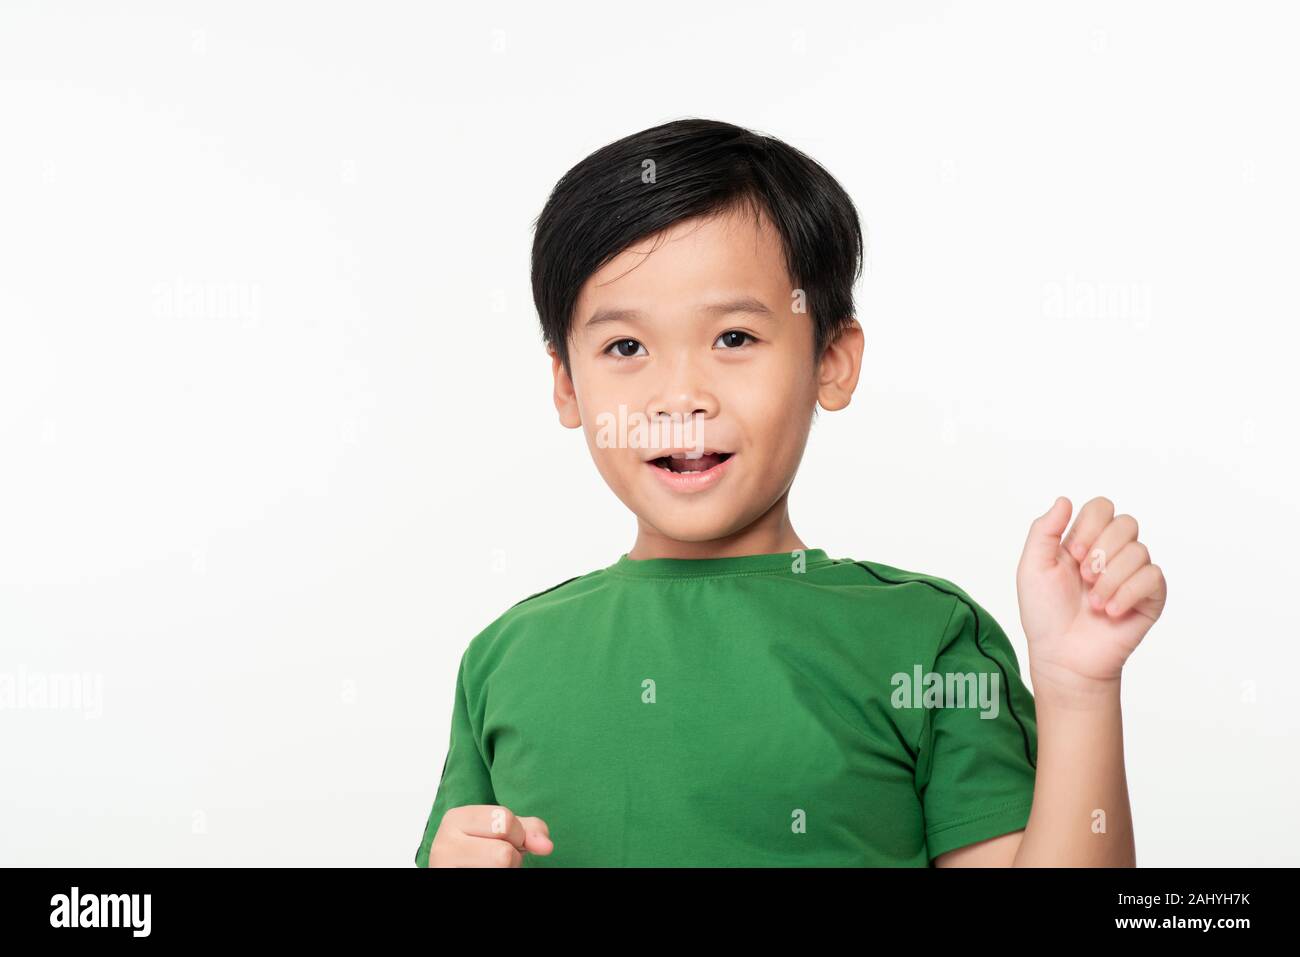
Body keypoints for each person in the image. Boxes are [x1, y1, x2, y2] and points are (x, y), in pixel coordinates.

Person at [414, 118, 1167, 867]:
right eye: (626, 347)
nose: (681, 395)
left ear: (831, 360)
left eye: (734, 337)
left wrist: (1077, 690)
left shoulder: (926, 641)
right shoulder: (503, 660)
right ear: (565, 383)